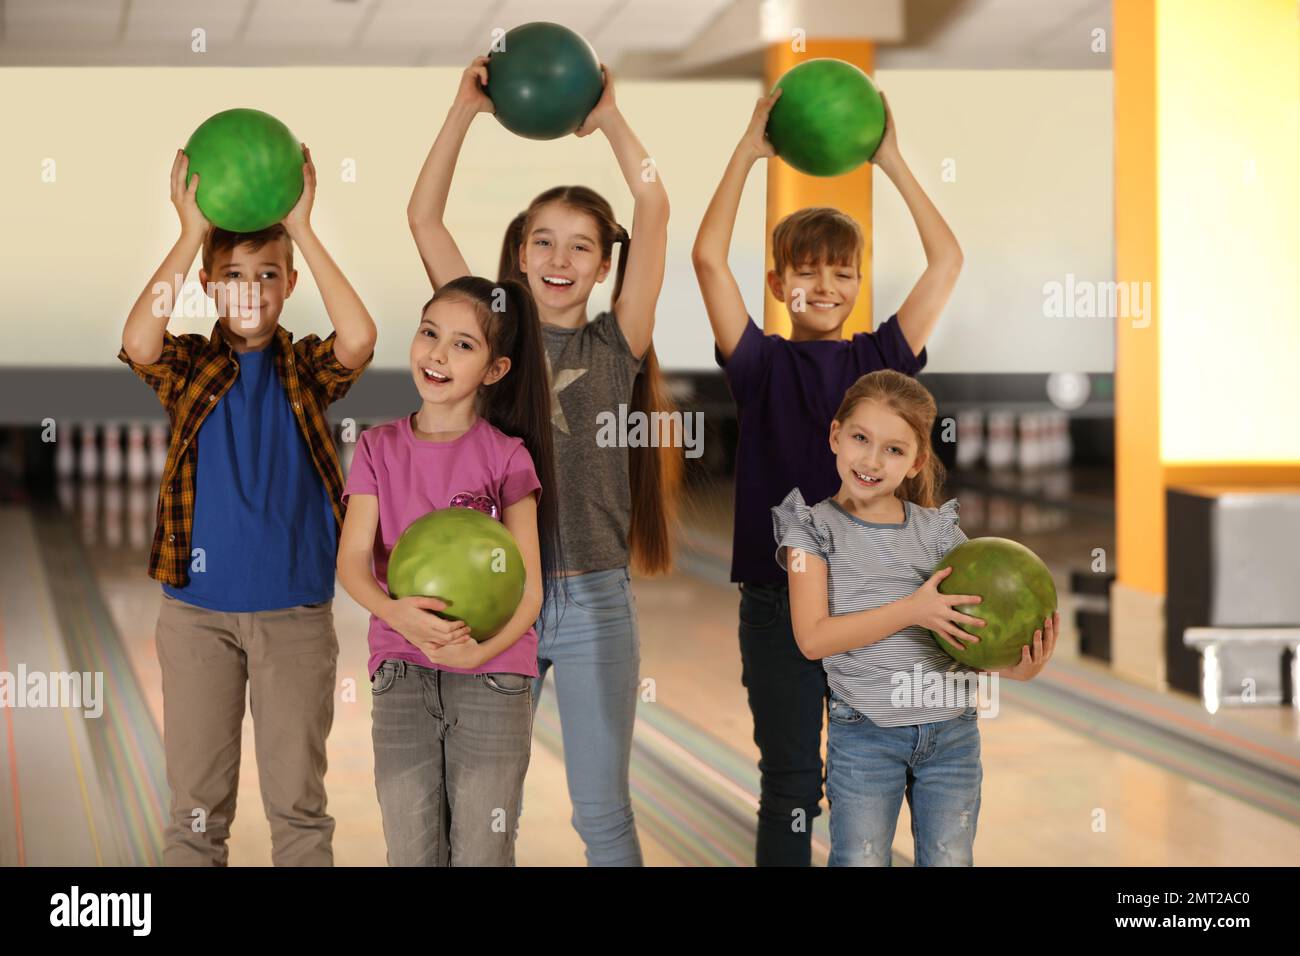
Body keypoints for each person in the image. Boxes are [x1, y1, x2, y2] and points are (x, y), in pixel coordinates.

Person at [405, 57, 679, 865]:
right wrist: (463, 113)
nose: (560, 260)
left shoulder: (615, 342)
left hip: (596, 602)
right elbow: (423, 220)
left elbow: (655, 204)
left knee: (602, 818)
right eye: (544, 242)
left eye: (582, 248)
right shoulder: (489, 335)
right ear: (518, 254)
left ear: (603, 266)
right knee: (485, 818)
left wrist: (611, 120)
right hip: (492, 595)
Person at [692, 88, 965, 865]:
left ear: (859, 283)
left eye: (842, 272)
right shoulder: (760, 364)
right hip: (781, 609)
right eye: (804, 272)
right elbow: (708, 257)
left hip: (880, 603)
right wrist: (748, 151)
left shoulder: (879, 359)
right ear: (778, 284)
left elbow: (948, 260)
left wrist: (893, 162)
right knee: (790, 782)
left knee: (873, 779)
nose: (825, 286)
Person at [118, 146, 376, 865]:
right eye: (232, 276)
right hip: (195, 615)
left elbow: (358, 339)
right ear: (207, 284)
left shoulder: (304, 368)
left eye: (268, 275)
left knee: (299, 813)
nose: (251, 290)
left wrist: (305, 228)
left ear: (291, 284)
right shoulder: (192, 366)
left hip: (295, 615)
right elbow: (140, 340)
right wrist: (189, 233)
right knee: (195, 820)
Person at [773, 370, 1058, 866]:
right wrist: (913, 610)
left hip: (952, 733)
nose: (872, 460)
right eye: (861, 438)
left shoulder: (940, 534)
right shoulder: (811, 530)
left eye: (894, 450)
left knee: (950, 859)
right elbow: (813, 639)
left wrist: (1017, 667)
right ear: (835, 435)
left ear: (916, 462)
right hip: (865, 734)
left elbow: (962, 636)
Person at [336, 276, 561, 866]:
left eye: (463, 345)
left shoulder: (508, 457)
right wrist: (393, 612)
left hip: (495, 675)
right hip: (402, 672)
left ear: (494, 369)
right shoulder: (378, 448)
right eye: (430, 333)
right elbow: (353, 562)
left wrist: (478, 654)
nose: (436, 353)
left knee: (482, 855)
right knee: (411, 857)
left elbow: (530, 590)